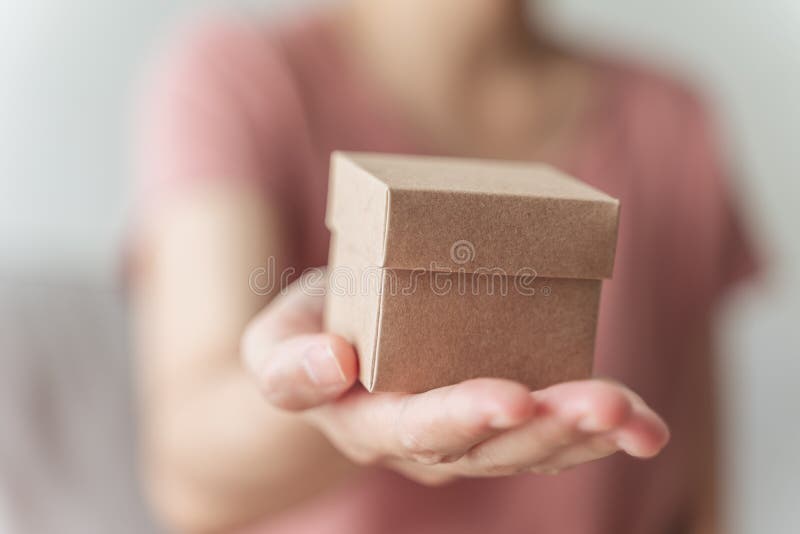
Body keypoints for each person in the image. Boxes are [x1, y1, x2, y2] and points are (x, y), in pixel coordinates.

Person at [131, 0, 758, 532]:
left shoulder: (671, 120)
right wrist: (329, 408)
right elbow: (185, 473)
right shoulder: (244, 79)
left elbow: (689, 487)